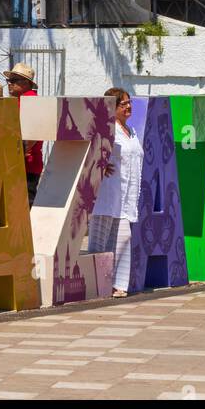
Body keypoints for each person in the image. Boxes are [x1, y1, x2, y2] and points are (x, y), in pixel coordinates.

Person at [87, 87, 143, 298]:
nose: (128, 106)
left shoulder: (131, 131)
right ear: (112, 106)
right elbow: (91, 151)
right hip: (108, 193)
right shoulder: (106, 129)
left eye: (129, 103)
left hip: (126, 196)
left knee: (123, 238)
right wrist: (101, 165)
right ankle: (97, 283)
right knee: (100, 240)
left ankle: (118, 284)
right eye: (123, 104)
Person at [3, 63, 43, 206]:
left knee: (23, 207)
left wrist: (17, 155)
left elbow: (33, 134)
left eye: (13, 81)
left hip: (26, 165)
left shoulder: (30, 100)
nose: (9, 84)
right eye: (9, 81)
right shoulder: (22, 100)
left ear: (26, 83)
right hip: (23, 163)